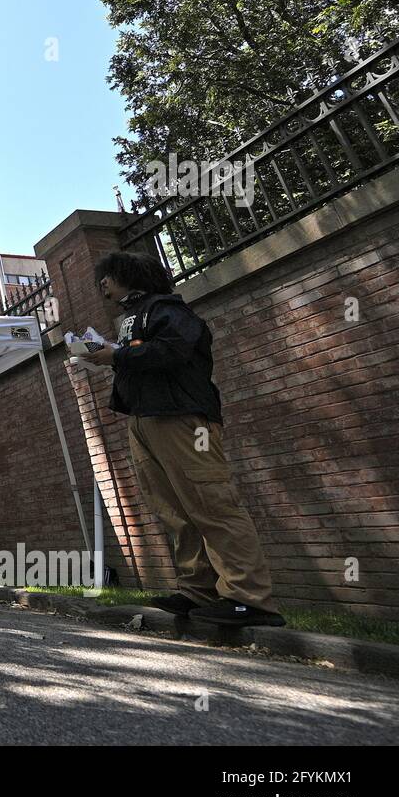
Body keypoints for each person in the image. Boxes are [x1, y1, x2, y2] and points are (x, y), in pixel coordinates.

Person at [87, 251, 285, 628]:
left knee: (212, 503)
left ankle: (250, 598)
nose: (102, 286)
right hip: (146, 421)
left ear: (126, 275)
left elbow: (171, 351)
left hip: (182, 420)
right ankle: (199, 589)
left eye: (106, 278)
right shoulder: (134, 316)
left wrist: (118, 354)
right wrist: (112, 355)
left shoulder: (168, 310)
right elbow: (138, 357)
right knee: (174, 509)